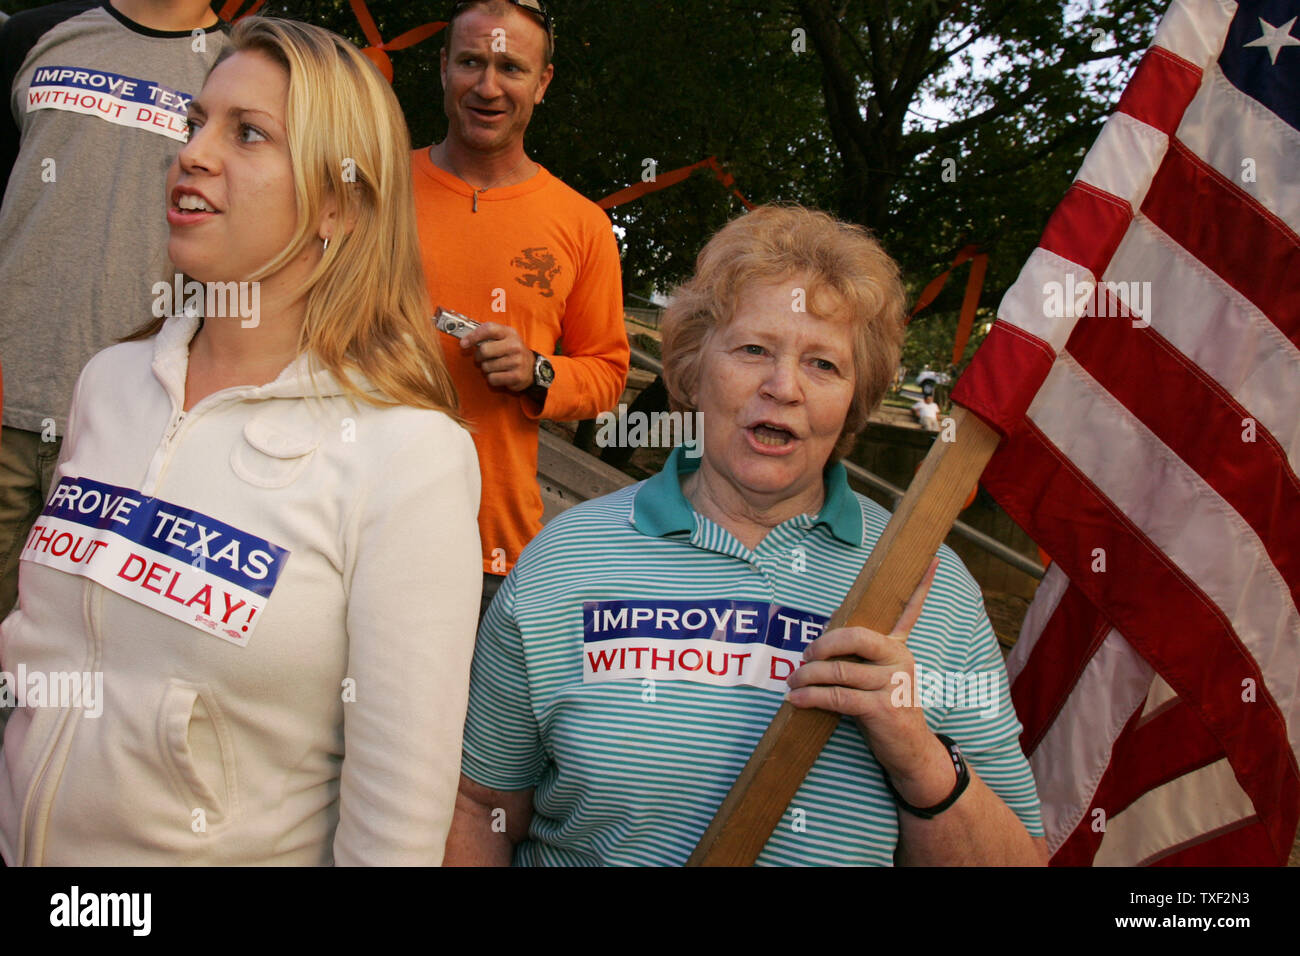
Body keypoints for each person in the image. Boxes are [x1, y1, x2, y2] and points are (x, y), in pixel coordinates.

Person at [0, 17, 482, 866]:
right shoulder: (107, 382)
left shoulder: (409, 457)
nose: (191, 153)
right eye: (196, 124)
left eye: (248, 133)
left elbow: (395, 829)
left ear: (340, 202)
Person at [445, 205, 1047, 865]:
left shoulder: (930, 586)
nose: (782, 387)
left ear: (855, 396)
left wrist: (915, 751)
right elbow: (481, 808)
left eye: (823, 365)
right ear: (694, 369)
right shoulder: (565, 561)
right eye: (754, 349)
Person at [0, 0, 230, 620]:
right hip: (6, 399)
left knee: (77, 659)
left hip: (134, 422)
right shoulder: (33, 34)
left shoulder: (235, 70)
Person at [412, 0, 628, 618]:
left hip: (487, 547)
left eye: (510, 67)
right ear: (443, 68)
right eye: (470, 62)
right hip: (347, 517)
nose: (487, 86)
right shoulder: (379, 187)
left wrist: (537, 371)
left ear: (543, 83)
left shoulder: (584, 225)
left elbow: (608, 374)